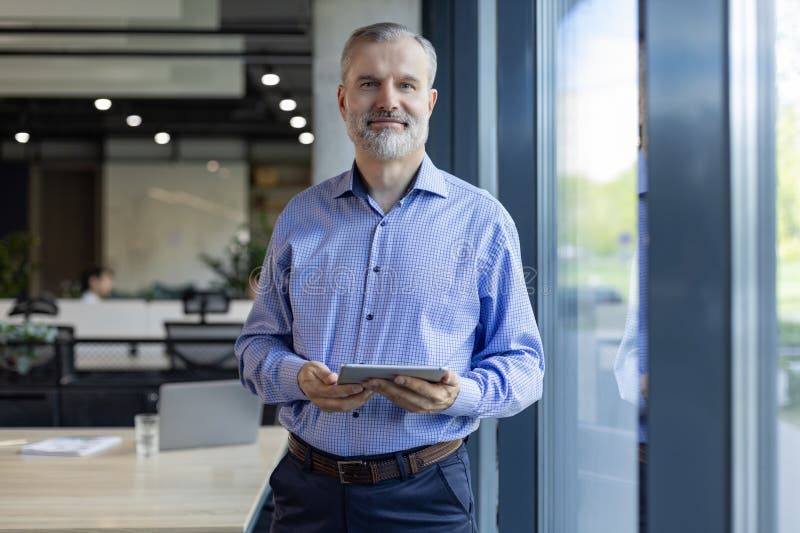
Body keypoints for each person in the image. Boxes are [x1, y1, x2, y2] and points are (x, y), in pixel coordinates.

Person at [235, 22, 544, 533]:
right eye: (368, 83)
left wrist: (459, 394)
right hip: (308, 492)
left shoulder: (482, 221)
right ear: (343, 101)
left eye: (406, 84)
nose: (388, 100)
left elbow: (525, 364)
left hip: (425, 497)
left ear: (430, 101)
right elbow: (255, 348)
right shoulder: (300, 216)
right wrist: (297, 377)